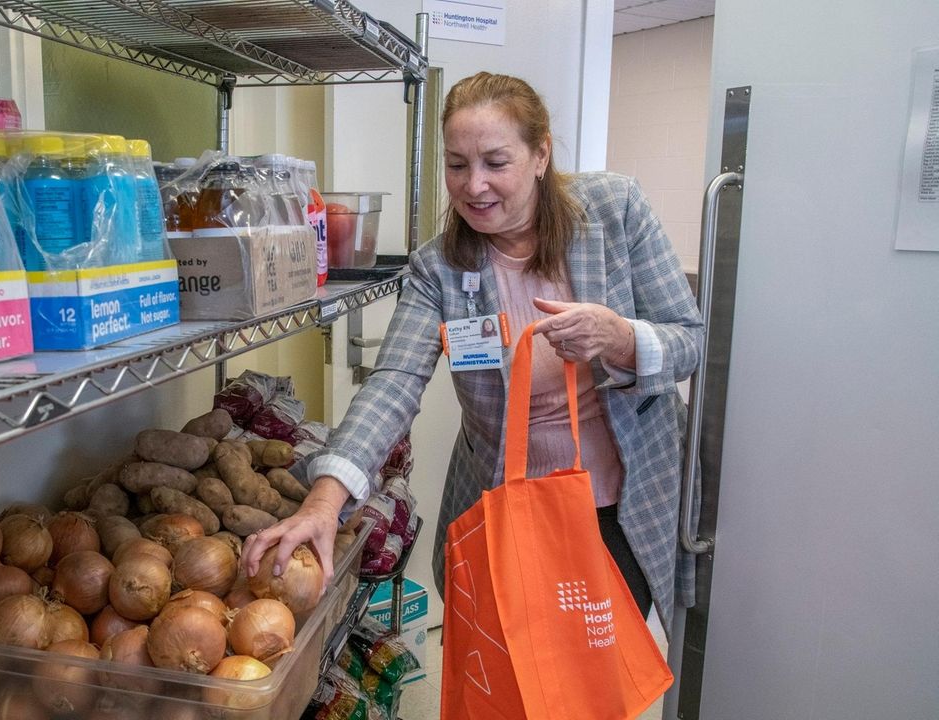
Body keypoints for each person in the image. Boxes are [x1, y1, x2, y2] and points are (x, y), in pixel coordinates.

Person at [242, 72, 703, 633]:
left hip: (617, 504)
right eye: (457, 165)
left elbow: (688, 339)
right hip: (503, 503)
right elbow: (394, 382)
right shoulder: (439, 266)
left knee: (600, 665)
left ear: (540, 155)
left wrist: (620, 339)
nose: (474, 186)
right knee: (505, 663)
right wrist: (324, 499)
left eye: (495, 162)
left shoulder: (614, 211)